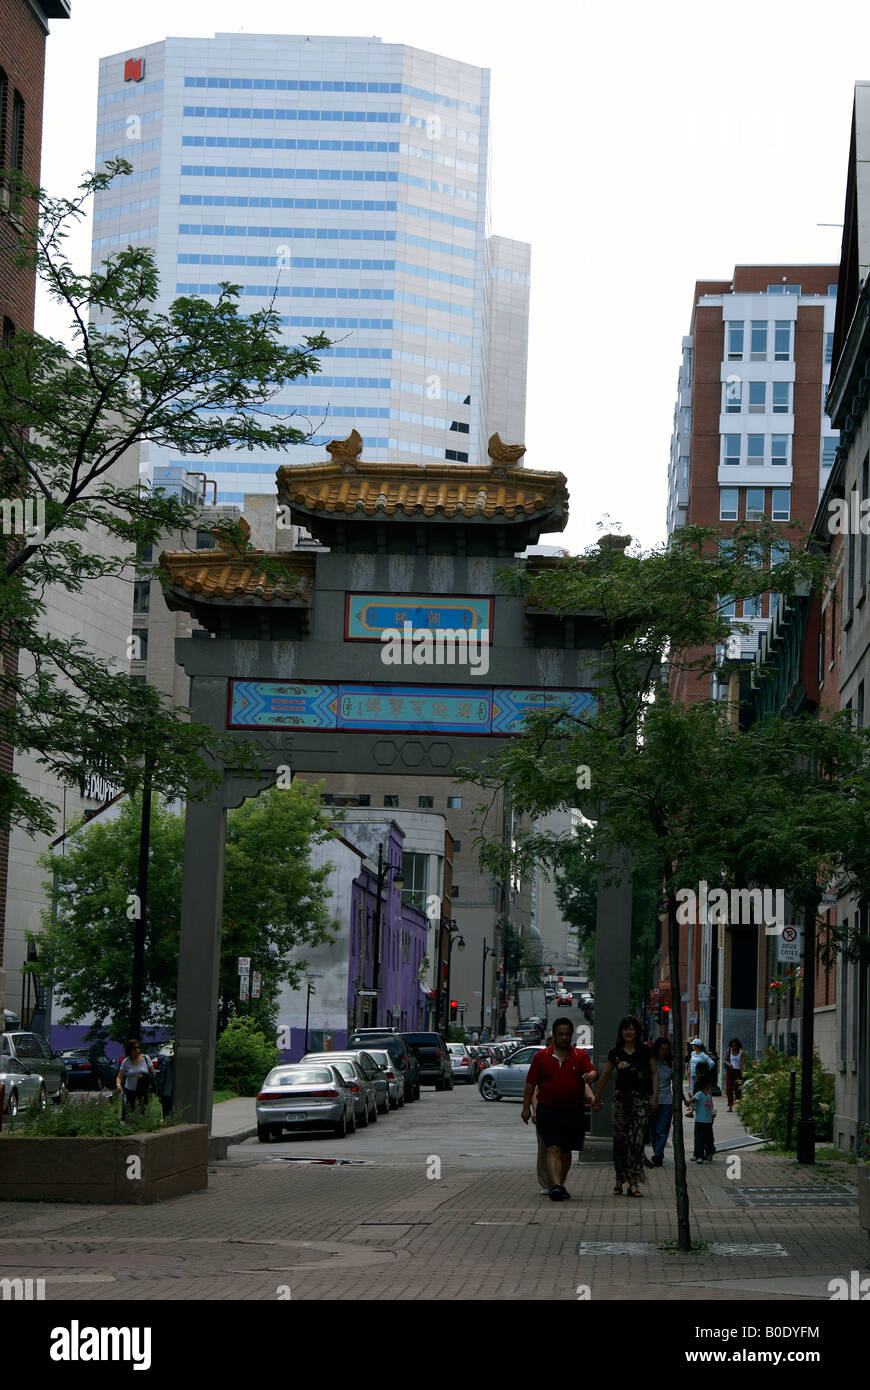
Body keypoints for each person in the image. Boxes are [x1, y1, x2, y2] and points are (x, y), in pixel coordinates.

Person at [521, 1018, 596, 1203]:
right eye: (560, 1034)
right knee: (552, 1148)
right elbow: (531, 1084)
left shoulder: (580, 1056)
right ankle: (555, 1186)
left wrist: (592, 1076)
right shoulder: (541, 1057)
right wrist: (526, 1108)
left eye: (567, 1034)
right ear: (553, 1035)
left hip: (573, 1111)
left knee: (566, 1151)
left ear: (571, 1035)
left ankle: (561, 1182)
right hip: (549, 1110)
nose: (564, 1037)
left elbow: (592, 1072)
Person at [592, 1016, 658, 1197]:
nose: (629, 1031)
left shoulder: (645, 1051)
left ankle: (634, 1182)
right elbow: (605, 1075)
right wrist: (596, 1097)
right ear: (621, 1032)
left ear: (637, 1031)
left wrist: (655, 1097)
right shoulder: (615, 1053)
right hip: (621, 1101)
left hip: (641, 1101)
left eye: (632, 1028)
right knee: (620, 1141)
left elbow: (654, 1073)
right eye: (625, 1028)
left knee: (636, 1142)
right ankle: (619, 1178)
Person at [647, 1036, 674, 1166]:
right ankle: (659, 1153)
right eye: (662, 1049)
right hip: (652, 1100)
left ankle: (657, 1154)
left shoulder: (670, 1065)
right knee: (652, 1130)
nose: (664, 1051)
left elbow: (677, 1084)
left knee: (662, 1129)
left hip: (667, 1101)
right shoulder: (650, 1063)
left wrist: (685, 1099)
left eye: (666, 1049)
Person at [116, 1039, 156, 1115]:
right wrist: (118, 1085)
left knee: (142, 1112)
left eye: (138, 1047)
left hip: (142, 1091)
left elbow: (153, 1073)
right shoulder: (126, 1061)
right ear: (130, 1050)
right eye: (134, 1048)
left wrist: (144, 1076)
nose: (137, 1050)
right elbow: (119, 1077)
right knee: (129, 1114)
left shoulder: (146, 1058)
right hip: (129, 1092)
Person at [691, 1065, 716, 1162]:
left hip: (708, 1119)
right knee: (700, 1139)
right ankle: (699, 1155)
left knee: (709, 1138)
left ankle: (708, 1152)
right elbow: (691, 1100)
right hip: (700, 1120)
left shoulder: (708, 1093)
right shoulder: (699, 1093)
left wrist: (712, 1111)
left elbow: (710, 1103)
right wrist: (689, 1104)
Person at [684, 1038, 714, 1116]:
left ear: (697, 1046)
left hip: (700, 1076)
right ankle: (691, 1110)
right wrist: (689, 1070)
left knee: (702, 1092)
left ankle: (708, 1108)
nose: (692, 1046)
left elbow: (712, 1063)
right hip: (693, 1075)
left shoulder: (703, 1055)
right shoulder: (692, 1053)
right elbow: (690, 1062)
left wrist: (706, 1070)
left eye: (693, 1045)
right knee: (692, 1092)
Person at [724, 1037, 745, 1111]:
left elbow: (743, 1063)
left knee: (737, 1089)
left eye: (735, 1045)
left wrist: (744, 1070)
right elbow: (725, 1060)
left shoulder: (741, 1052)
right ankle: (730, 1105)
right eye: (733, 1045)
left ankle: (737, 1103)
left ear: (738, 1045)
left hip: (738, 1071)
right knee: (728, 1088)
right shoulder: (729, 1051)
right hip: (730, 1071)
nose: (734, 1047)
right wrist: (729, 1064)